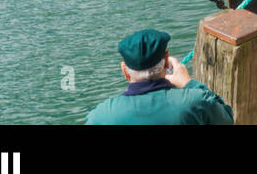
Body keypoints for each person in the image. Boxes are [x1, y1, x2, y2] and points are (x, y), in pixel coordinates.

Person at [86, 28, 233, 125]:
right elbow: (227, 119)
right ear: (166, 60)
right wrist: (189, 84)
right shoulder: (197, 102)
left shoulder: (99, 117)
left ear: (125, 71)